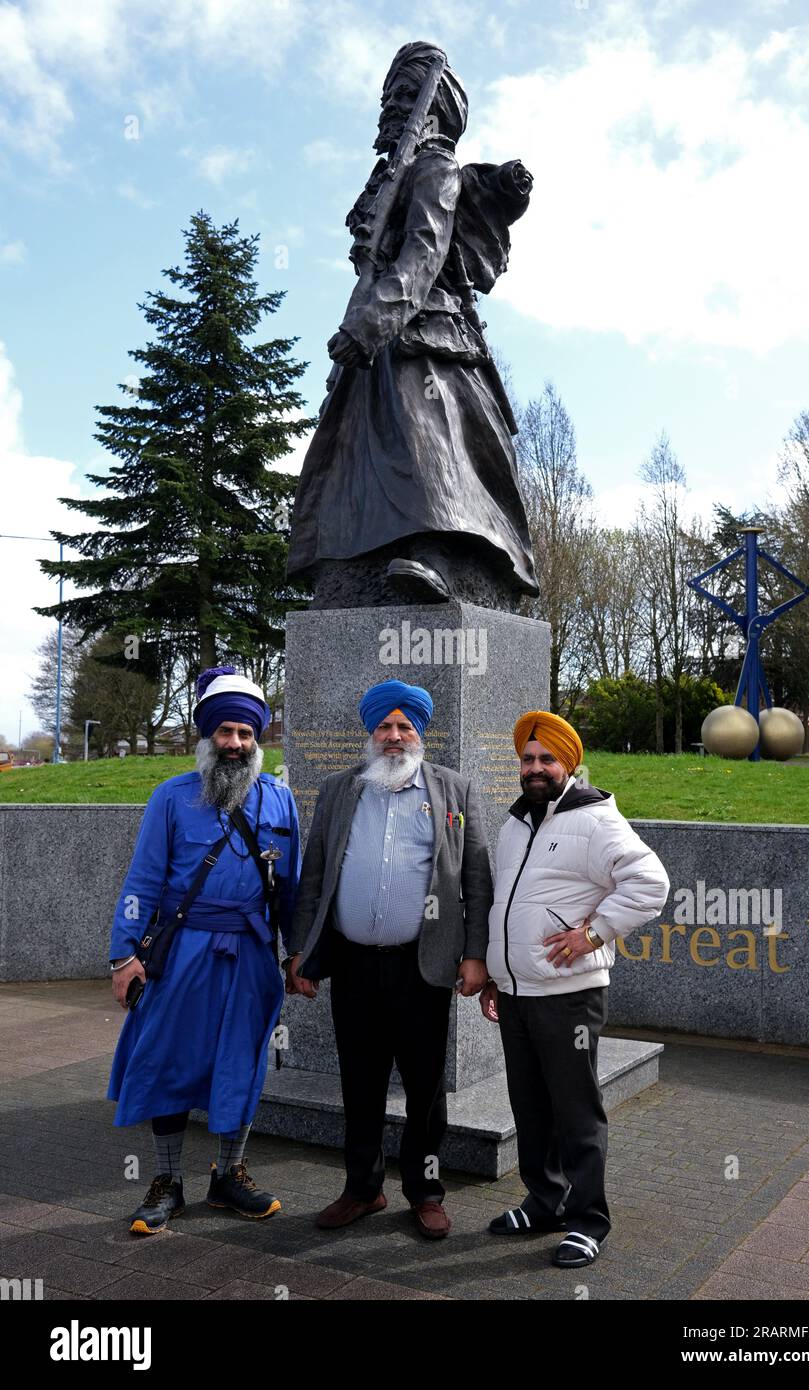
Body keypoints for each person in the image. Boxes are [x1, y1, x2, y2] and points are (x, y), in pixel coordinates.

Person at [285, 41, 539, 611]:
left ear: (436, 109)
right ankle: (342, 571)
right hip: (377, 338)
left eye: (406, 95)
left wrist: (373, 321)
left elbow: (424, 249)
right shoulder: (388, 177)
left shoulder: (434, 167)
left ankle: (434, 555)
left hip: (425, 333)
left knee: (426, 441)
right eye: (388, 96)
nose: (393, 106)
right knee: (353, 458)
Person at [287, 678, 492, 1238]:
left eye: (405, 726)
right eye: (384, 726)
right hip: (353, 963)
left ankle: (425, 1192)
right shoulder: (338, 789)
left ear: (420, 733)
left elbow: (476, 878)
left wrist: (476, 955)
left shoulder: (454, 790)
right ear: (370, 732)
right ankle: (362, 1189)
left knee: (425, 1088)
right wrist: (299, 950)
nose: (394, 736)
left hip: (423, 965)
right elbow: (314, 875)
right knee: (359, 1081)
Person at [107, 666, 301, 1234]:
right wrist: (125, 956)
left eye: (246, 734)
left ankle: (230, 1174)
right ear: (207, 736)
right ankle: (167, 1181)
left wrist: (296, 957)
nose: (236, 744)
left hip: (252, 957)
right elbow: (141, 883)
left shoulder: (280, 802)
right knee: (169, 1061)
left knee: (241, 1062)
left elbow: (290, 889)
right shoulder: (170, 798)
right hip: (182, 956)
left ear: (259, 739)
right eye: (225, 733)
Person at [482, 711, 670, 1268]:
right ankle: (545, 1201)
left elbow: (650, 883)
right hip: (518, 994)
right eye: (528, 759)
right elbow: (507, 904)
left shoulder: (594, 819)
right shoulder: (516, 822)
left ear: (569, 764)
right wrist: (499, 973)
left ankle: (588, 1219)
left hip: (569, 996)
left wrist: (593, 933)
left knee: (576, 1112)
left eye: (547, 759)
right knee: (531, 1108)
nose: (535, 768)